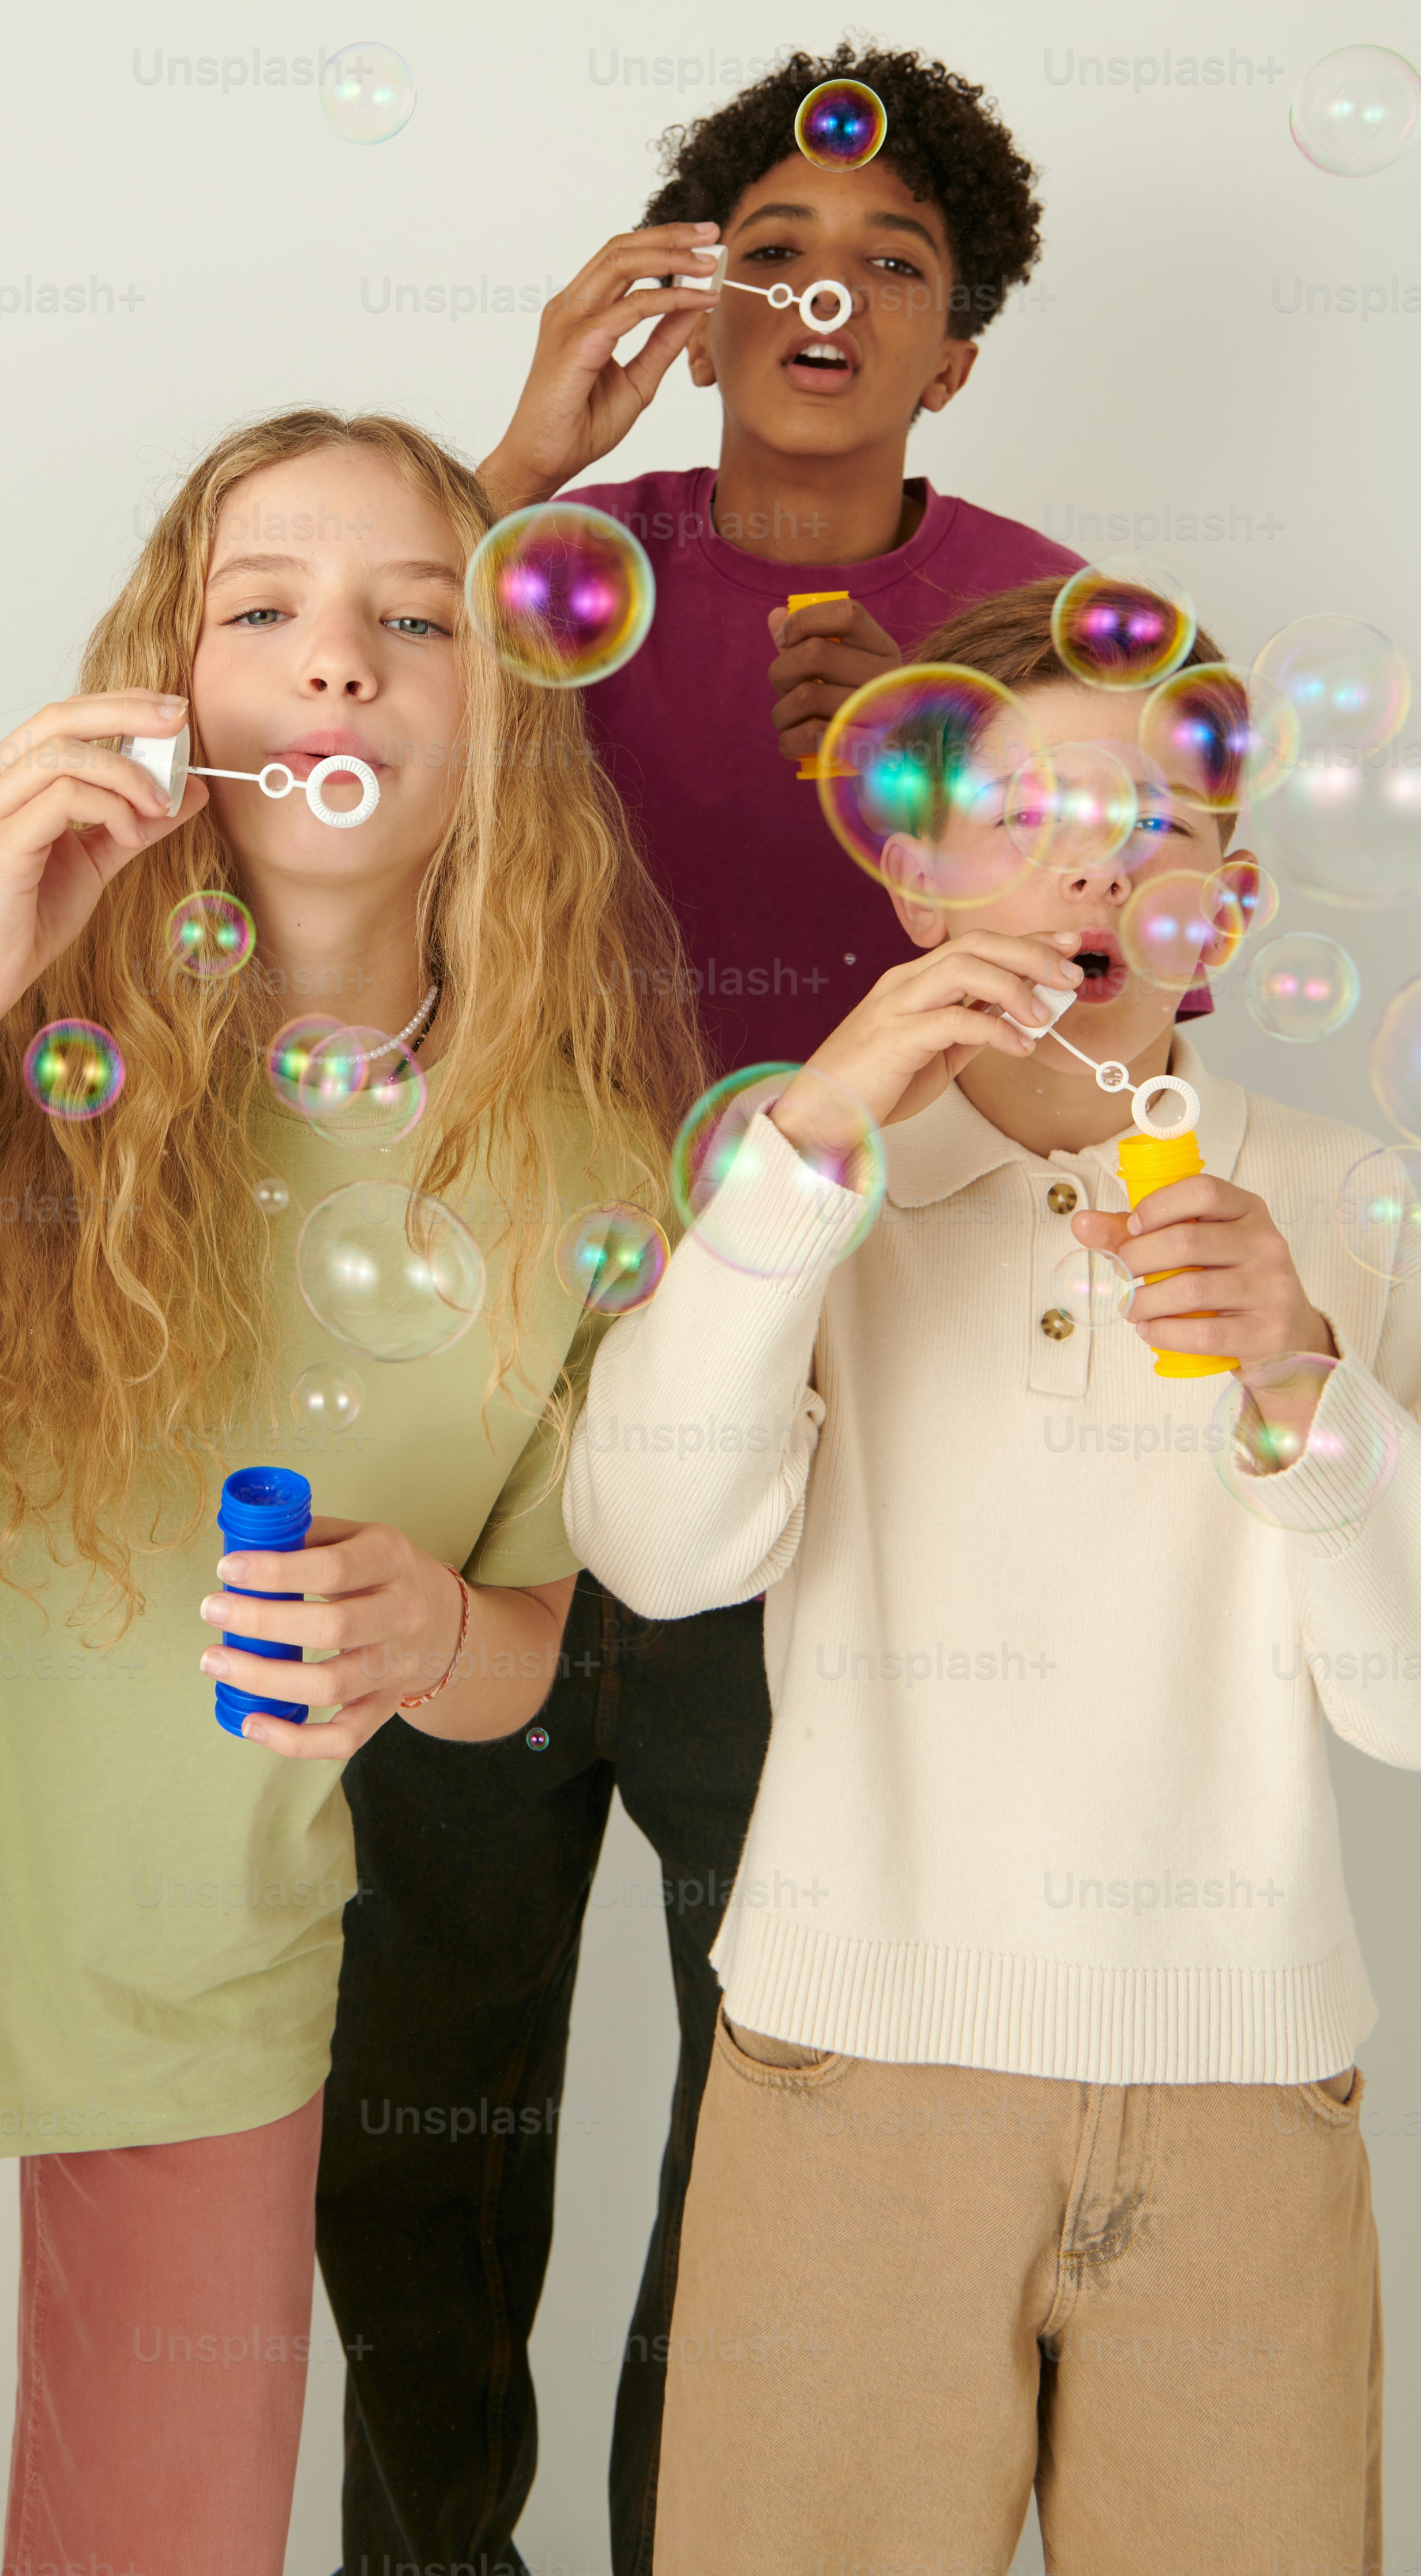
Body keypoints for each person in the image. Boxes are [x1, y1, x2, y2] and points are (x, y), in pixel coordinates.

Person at [0, 410, 707, 2576]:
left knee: (165, 2543)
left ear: (509, 719)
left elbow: (531, 1660)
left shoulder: (587, 1172)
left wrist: (444, 1641)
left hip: (215, 1984)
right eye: (261, 612)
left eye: (415, 620)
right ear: (168, 697)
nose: (340, 665)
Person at [319, 44, 1091, 2576]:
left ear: (957, 350)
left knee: (772, 2125)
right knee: (418, 2103)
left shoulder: (1032, 623)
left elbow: (1105, 1015)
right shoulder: (541, 563)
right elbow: (321, 733)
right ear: (699, 290)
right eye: (782, 244)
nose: (831, 293)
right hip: (487, 1420)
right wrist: (522, 440)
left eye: (896, 267)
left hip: (822, 1443)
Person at [566, 579, 1401, 2574]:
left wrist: (1304, 1382)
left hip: (1245, 2100)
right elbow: (657, 1545)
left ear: (1236, 900)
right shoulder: (824, 1196)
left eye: (1155, 831)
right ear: (915, 881)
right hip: (853, 2087)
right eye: (1024, 822)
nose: (1093, 869)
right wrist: (817, 1139)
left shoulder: (1344, 1217)